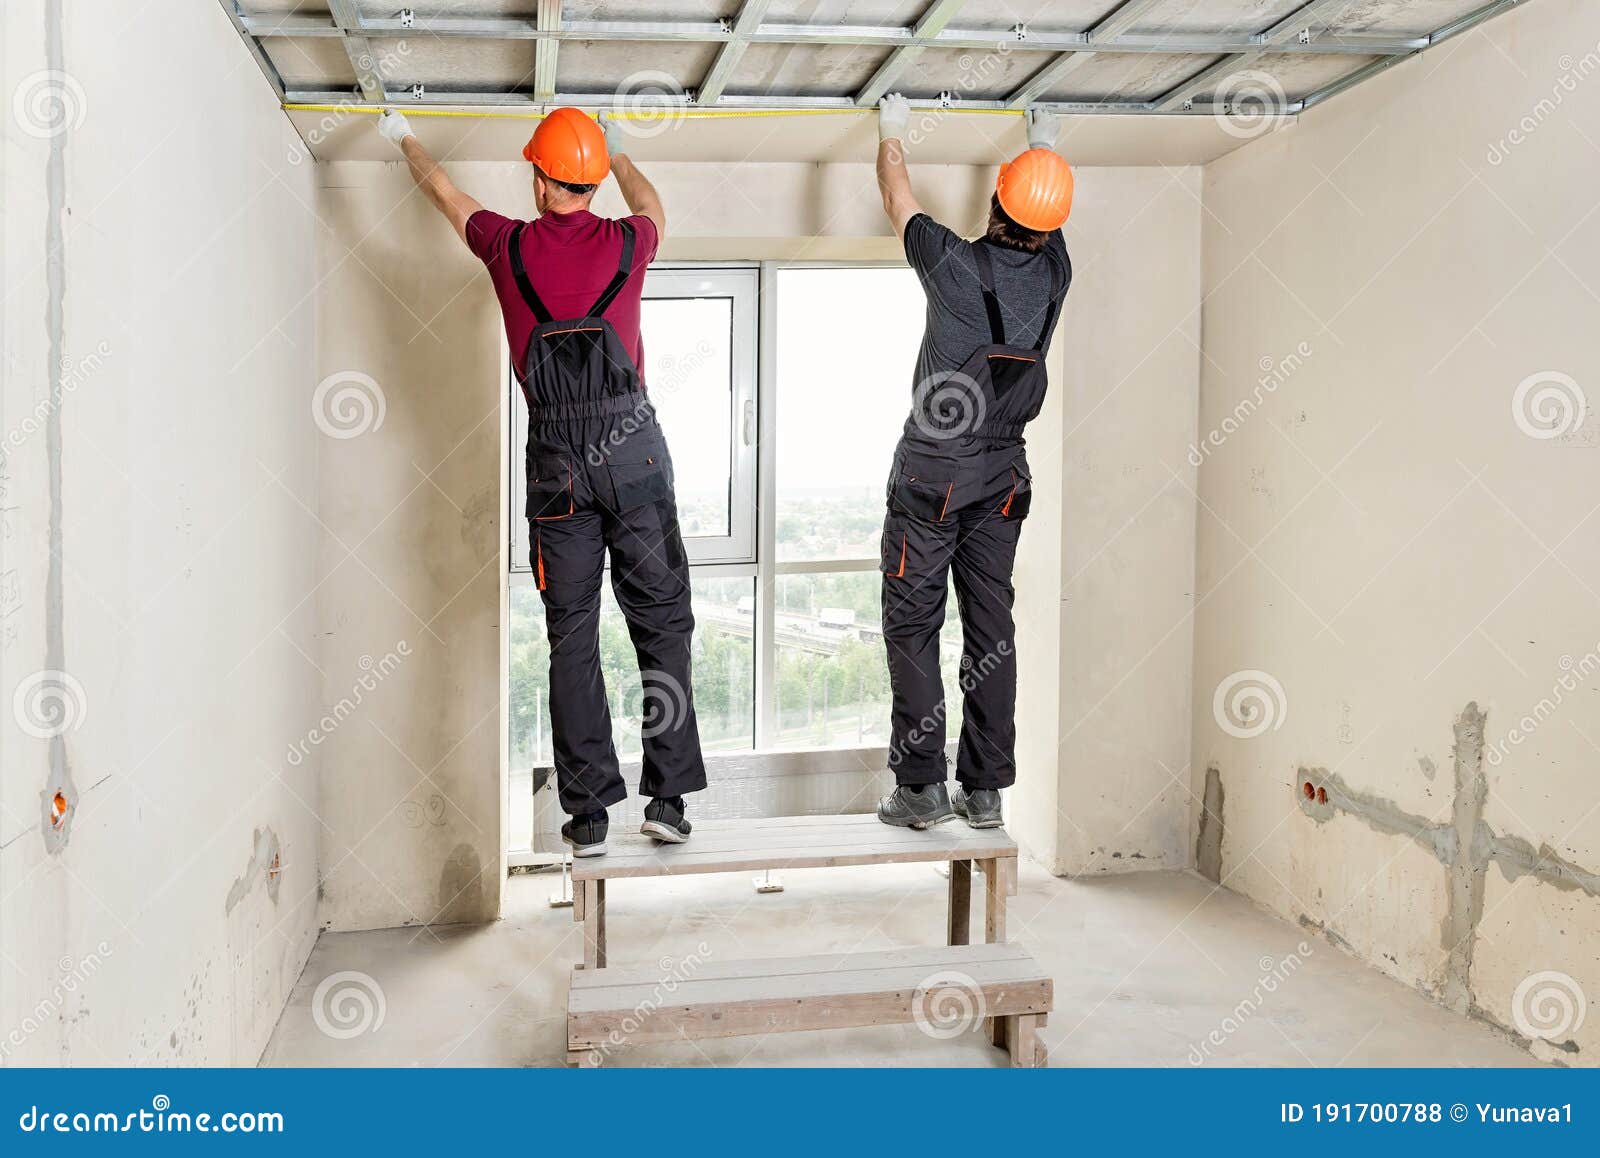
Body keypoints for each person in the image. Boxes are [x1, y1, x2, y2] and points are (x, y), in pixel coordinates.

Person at [375, 107, 704, 856]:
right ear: (587, 182)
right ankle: (669, 802)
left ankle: (587, 817)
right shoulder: (630, 240)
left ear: (539, 179)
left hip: (558, 463)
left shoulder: (506, 244)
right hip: (633, 451)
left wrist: (404, 138)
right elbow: (653, 205)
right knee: (660, 622)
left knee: (572, 637)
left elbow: (442, 191)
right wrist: (621, 157)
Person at [871, 93, 1074, 831]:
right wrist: (1044, 137)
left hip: (934, 474)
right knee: (992, 628)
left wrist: (892, 127)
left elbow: (898, 194)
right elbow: (1049, 217)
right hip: (1005, 477)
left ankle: (921, 789)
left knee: (914, 624)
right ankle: (984, 793)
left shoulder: (953, 265)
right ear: (1051, 227)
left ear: (994, 204)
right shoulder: (1055, 277)